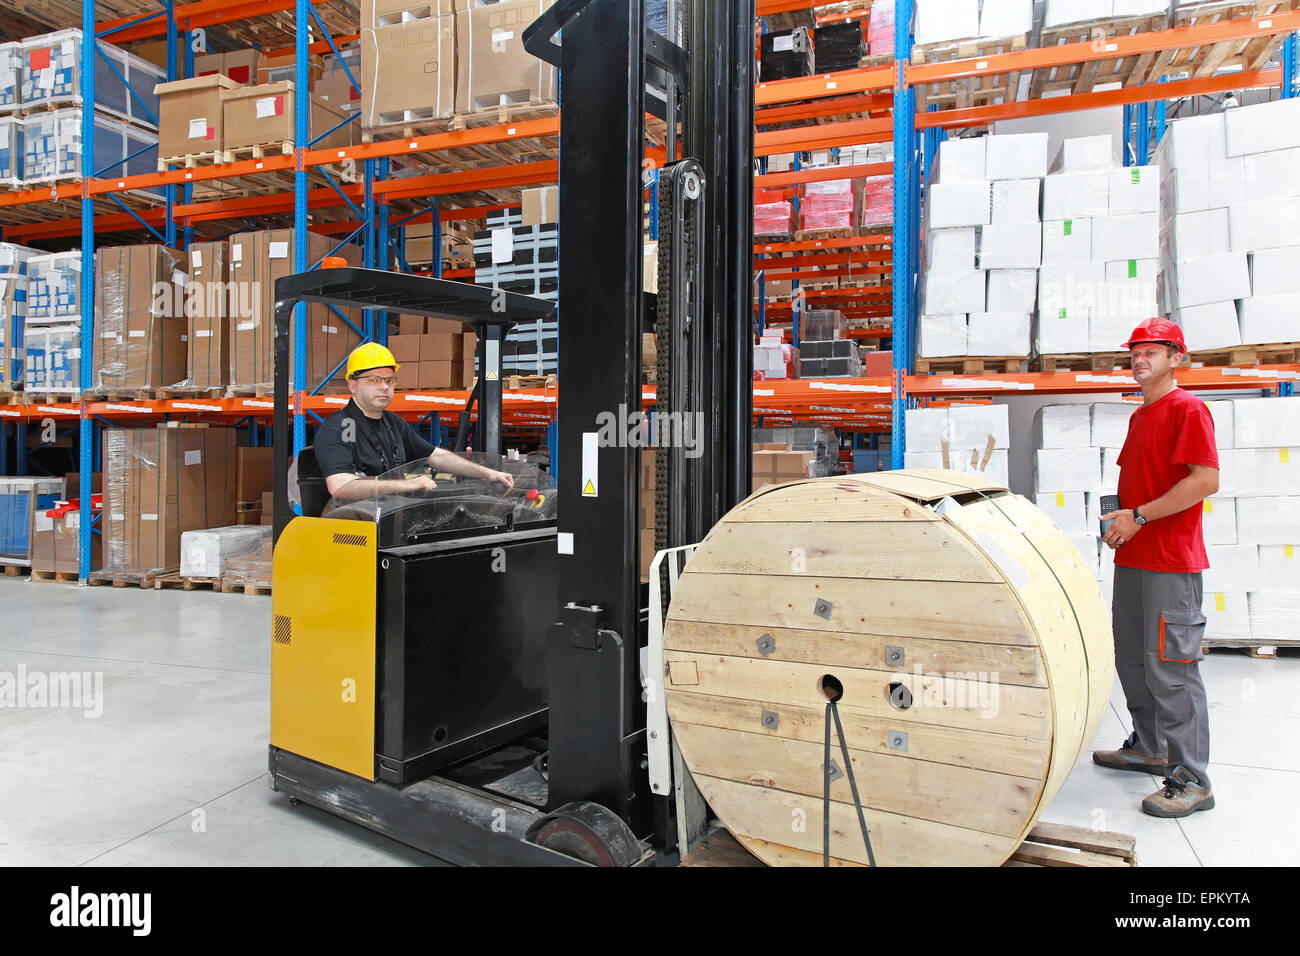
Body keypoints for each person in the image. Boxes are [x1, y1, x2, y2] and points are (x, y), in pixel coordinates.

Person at [1094, 317, 1219, 819]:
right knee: (1132, 660)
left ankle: (1192, 779)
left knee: (1172, 671)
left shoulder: (1187, 409)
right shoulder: (1140, 416)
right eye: (1135, 352)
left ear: (1176, 359)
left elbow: (1205, 480)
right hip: (1134, 558)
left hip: (1170, 563)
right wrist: (1117, 519)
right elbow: (1139, 484)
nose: (1140, 359)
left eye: (1152, 351)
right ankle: (1150, 746)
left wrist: (1140, 516)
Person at [314, 342, 514, 502]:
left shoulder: (392, 423)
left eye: (390, 380)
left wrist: (487, 473)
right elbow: (340, 486)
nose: (384, 387)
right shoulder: (339, 427)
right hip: (353, 530)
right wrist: (409, 484)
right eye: (374, 380)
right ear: (353, 385)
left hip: (388, 520)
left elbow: (435, 455)